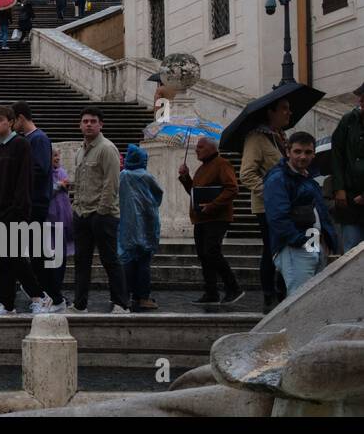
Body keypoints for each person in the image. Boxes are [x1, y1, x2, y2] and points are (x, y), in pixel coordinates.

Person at [0, 105, 50, 315]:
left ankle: (40, 296)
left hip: (13, 212)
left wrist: (18, 209)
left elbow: (24, 180)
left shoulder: (20, 144)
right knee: (5, 260)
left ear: (10, 122)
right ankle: (8, 304)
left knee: (15, 258)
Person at [70, 106, 130, 313]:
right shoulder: (80, 150)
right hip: (81, 213)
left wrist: (101, 211)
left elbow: (111, 183)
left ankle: (121, 303)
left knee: (110, 260)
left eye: (93, 121)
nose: (88, 124)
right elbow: (78, 182)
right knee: (81, 262)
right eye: (85, 121)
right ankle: (80, 304)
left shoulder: (107, 148)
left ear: (100, 124)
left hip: (102, 214)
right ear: (80, 125)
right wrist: (75, 207)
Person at [264, 131, 339, 296]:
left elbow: (321, 213)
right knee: (300, 299)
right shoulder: (278, 179)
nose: (303, 157)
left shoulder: (308, 178)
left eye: (308, 152)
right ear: (287, 151)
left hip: (313, 243)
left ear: (313, 154)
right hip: (296, 246)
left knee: (311, 299)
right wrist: (300, 241)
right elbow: (277, 218)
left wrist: (326, 241)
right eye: (297, 151)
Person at [178, 136, 243, 305]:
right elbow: (194, 192)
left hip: (217, 217)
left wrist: (213, 205)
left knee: (212, 251)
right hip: (201, 218)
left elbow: (232, 188)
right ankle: (211, 292)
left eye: (200, 147)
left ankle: (233, 288)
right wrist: (186, 177)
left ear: (212, 148)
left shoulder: (222, 164)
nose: (196, 150)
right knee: (204, 255)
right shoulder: (202, 168)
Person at [240, 98, 291, 312]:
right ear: (271, 112)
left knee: (285, 247)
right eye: (284, 109)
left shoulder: (282, 137)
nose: (289, 113)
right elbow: (246, 174)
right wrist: (272, 191)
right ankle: (269, 295)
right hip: (267, 206)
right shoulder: (256, 138)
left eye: (290, 109)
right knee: (271, 249)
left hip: (288, 205)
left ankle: (283, 290)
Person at [13, 101, 64, 309]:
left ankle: (52, 296)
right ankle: (48, 295)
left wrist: (17, 180)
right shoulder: (29, 139)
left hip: (36, 202)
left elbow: (41, 169)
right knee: (34, 253)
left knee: (37, 253)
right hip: (31, 202)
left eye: (12, 120)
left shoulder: (39, 139)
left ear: (21, 118)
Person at [117, 144, 163, 311]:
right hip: (146, 223)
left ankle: (125, 295)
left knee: (127, 259)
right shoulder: (146, 176)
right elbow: (158, 195)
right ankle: (142, 296)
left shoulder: (123, 176)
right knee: (143, 261)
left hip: (127, 224)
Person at [328, 81, 364, 252]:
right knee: (351, 251)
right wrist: (339, 188)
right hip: (349, 199)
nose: (361, 103)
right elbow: (337, 155)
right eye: (361, 100)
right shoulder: (348, 121)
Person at [48, 153, 75, 306]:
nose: (57, 158)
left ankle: (56, 291)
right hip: (50, 221)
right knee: (51, 259)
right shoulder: (44, 173)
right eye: (54, 156)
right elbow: (43, 192)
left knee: (61, 258)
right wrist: (59, 186)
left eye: (58, 155)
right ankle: (51, 291)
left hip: (63, 220)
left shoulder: (62, 172)